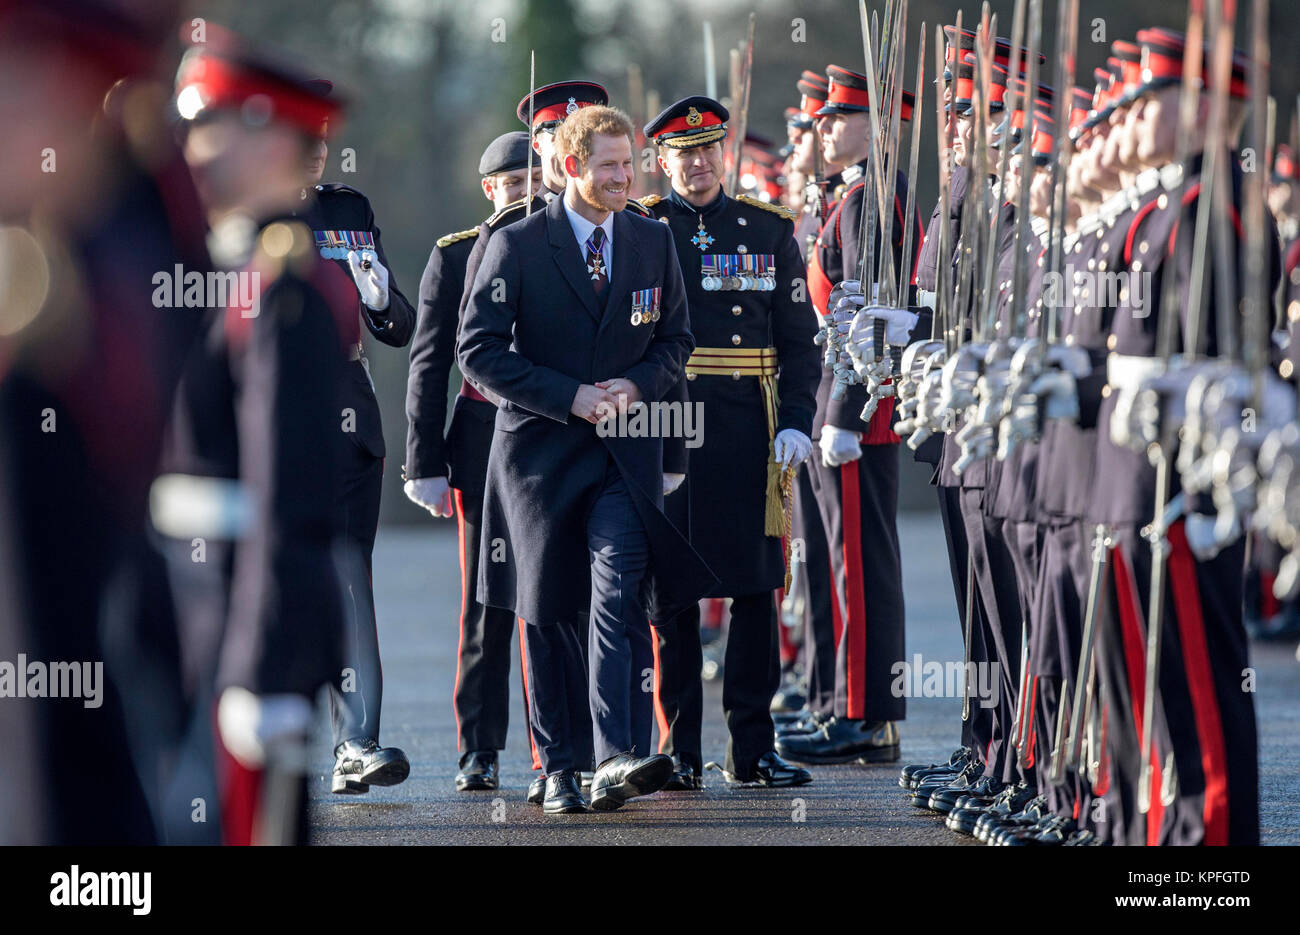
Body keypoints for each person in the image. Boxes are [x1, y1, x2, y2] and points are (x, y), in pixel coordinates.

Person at [458, 104, 714, 814]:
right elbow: (476, 353)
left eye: (628, 165)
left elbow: (676, 340)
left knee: (617, 597)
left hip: (623, 458)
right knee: (546, 609)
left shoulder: (651, 241)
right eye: (609, 166)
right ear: (571, 166)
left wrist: (637, 385)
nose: (623, 178)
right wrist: (567, 396)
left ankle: (616, 756)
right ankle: (561, 764)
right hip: (539, 456)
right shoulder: (517, 244)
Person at [162, 23, 360, 844]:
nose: (196, 154)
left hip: (246, 622)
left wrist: (264, 666)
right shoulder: (224, 267)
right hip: (192, 611)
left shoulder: (283, 286)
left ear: (276, 139)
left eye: (213, 131)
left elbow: (289, 487)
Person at [641, 95, 818, 789]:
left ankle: (753, 748)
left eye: (710, 148)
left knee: (754, 589)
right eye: (685, 153)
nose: (699, 162)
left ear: (727, 153)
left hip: (749, 421)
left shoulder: (768, 231)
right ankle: (678, 747)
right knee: (674, 594)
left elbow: (799, 341)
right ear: (663, 161)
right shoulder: (641, 229)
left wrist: (797, 418)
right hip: (670, 421)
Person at [404, 131, 541, 791]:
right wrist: (422, 460)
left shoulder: (567, 243)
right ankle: (479, 749)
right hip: (483, 435)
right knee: (486, 600)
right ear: (490, 190)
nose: (526, 193)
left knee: (556, 599)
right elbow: (429, 362)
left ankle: (555, 752)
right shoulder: (456, 256)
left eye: (535, 180)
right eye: (513, 184)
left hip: (555, 430)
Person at [295, 94, 415, 796]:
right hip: (267, 419)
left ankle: (356, 742)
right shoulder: (232, 210)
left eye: (321, 142)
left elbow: (397, 324)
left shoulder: (347, 210)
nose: (314, 153)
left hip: (346, 419)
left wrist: (375, 298)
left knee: (349, 585)